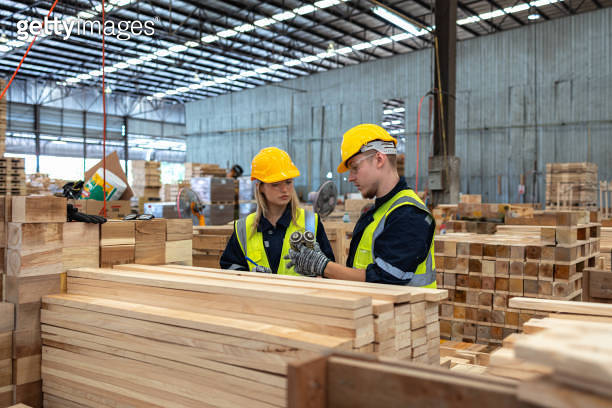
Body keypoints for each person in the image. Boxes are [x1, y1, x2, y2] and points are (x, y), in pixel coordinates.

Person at [284, 124, 437, 288]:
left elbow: (383, 280)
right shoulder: (376, 214)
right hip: (372, 311)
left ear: (379, 159)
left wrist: (323, 266)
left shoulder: (409, 214)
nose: (350, 178)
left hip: (406, 313)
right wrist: (317, 262)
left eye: (355, 168)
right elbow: (359, 272)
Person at [220, 147, 335, 274]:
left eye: (288, 182)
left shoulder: (310, 222)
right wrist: (248, 276)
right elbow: (229, 266)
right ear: (260, 187)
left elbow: (330, 270)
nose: (284, 189)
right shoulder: (244, 228)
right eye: (275, 184)